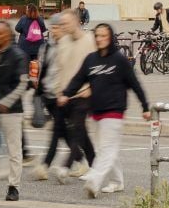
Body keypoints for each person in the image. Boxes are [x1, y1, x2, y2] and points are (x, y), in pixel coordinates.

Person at [65, 22, 151, 197]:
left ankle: (94, 181)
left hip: (114, 110)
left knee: (106, 148)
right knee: (106, 148)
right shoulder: (91, 59)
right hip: (97, 111)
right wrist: (66, 94)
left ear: (110, 38)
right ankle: (117, 181)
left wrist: (145, 106)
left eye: (104, 35)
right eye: (97, 35)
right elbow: (78, 79)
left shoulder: (119, 60)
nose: (100, 39)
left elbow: (135, 84)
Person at [36, 9, 94, 181]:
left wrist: (92, 87)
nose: (60, 28)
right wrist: (56, 92)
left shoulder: (88, 40)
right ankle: (91, 164)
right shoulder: (59, 43)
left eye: (64, 24)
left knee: (71, 130)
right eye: (58, 25)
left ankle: (63, 166)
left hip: (81, 95)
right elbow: (58, 70)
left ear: (76, 22)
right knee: (70, 132)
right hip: (61, 95)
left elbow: (93, 67)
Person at [0, 20, 29, 200]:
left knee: (14, 150)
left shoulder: (18, 55)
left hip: (12, 111)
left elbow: (22, 83)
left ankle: (13, 187)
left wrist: (6, 102)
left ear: (8, 36)